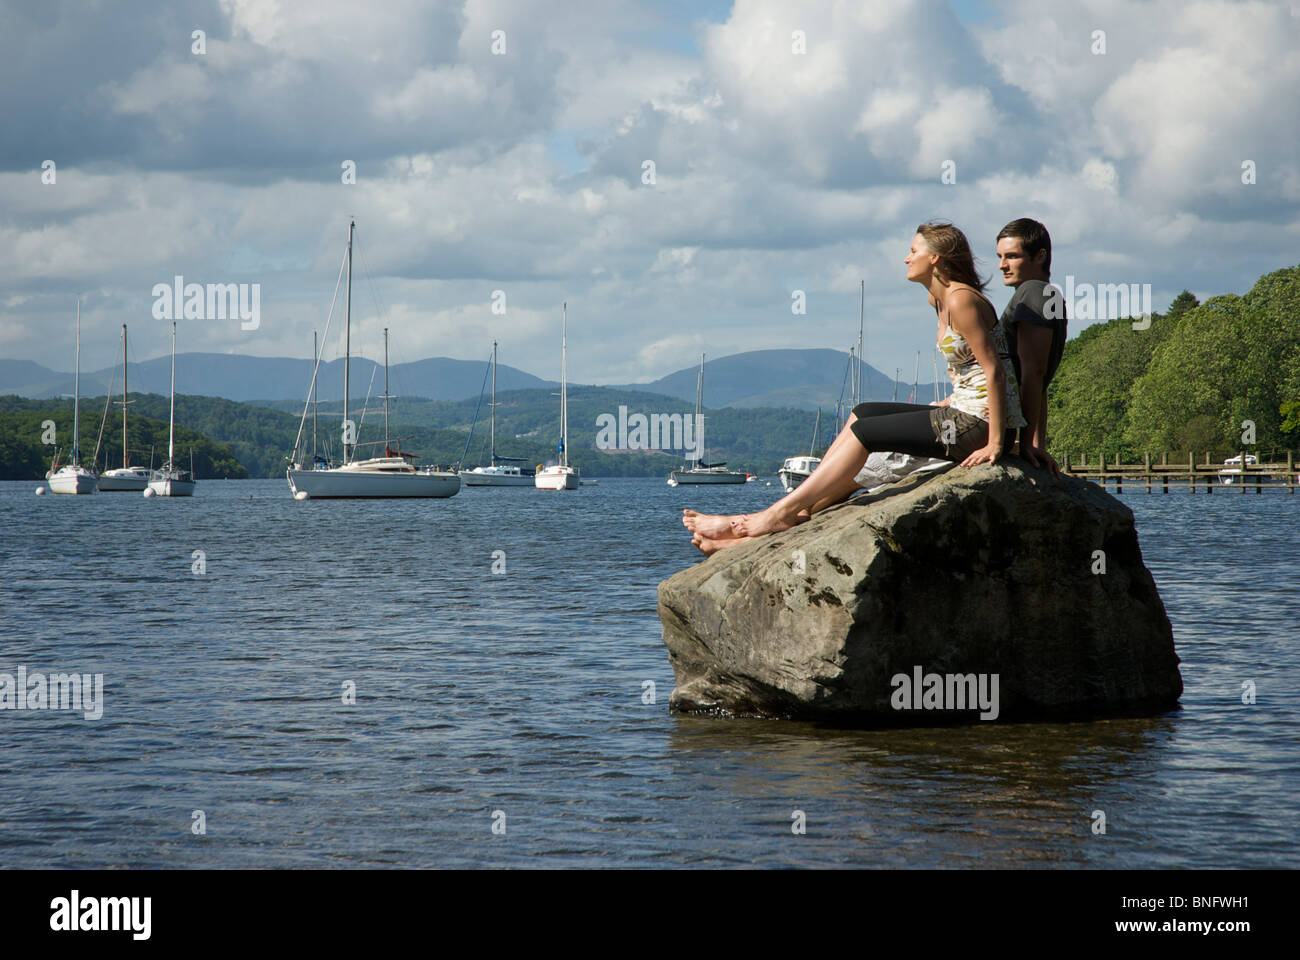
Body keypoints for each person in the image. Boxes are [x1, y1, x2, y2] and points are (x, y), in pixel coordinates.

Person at [684, 221, 1026, 553]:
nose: (906, 258)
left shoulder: (960, 300)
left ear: (935, 257)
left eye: (912, 251)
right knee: (863, 412)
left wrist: (997, 443)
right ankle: (801, 508)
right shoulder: (937, 301)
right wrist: (948, 402)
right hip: (964, 411)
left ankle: (776, 515)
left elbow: (995, 370)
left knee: (866, 432)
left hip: (977, 426)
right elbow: (970, 375)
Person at [995, 218, 1067, 476]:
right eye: (1000, 256)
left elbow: (1034, 373)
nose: (1002, 265)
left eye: (1012, 256)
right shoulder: (1045, 294)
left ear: (1040, 256)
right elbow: (1038, 380)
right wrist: (1037, 444)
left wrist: (1026, 445)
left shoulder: (1034, 293)